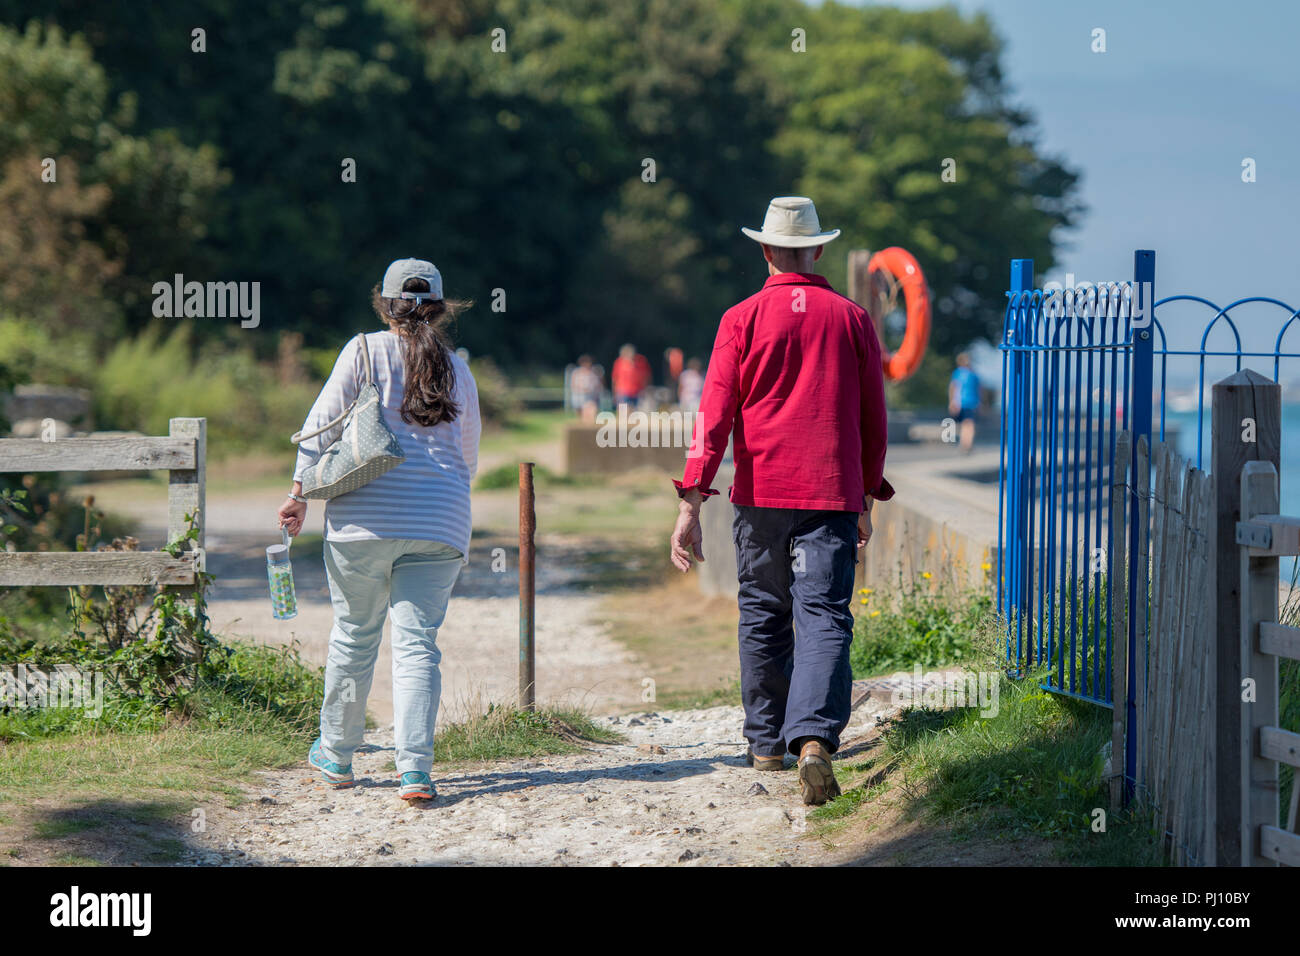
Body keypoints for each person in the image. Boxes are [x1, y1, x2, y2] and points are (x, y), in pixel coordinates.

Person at [669, 196, 893, 806]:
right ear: (818, 249)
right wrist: (868, 494)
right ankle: (815, 738)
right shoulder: (851, 319)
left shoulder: (739, 319)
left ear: (765, 251)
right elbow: (874, 419)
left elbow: (713, 416)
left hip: (761, 493)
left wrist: (691, 501)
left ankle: (767, 743)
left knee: (764, 612)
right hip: (831, 492)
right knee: (822, 615)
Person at [277, 258, 481, 802]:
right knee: (418, 646)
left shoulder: (363, 350)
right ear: (438, 308)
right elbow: (468, 456)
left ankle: (337, 757)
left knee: (355, 635)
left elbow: (319, 428)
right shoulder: (459, 369)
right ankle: (414, 770)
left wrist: (299, 494)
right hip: (441, 521)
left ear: (384, 304)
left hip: (364, 520)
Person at [948, 352, 980, 454]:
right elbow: (979, 390)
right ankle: (966, 444)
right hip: (967, 402)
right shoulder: (972, 374)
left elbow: (953, 387)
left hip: (965, 402)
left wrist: (952, 401)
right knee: (968, 424)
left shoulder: (959, 373)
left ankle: (965, 444)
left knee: (967, 424)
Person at [611, 343, 651, 409]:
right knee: (624, 412)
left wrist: (646, 389)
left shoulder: (641, 361)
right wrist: (615, 394)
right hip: (623, 392)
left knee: (636, 413)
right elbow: (615, 379)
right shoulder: (619, 362)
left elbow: (647, 377)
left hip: (638, 392)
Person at [569, 354, 603, 423]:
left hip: (590, 396)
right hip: (579, 396)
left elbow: (597, 385)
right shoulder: (576, 373)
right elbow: (573, 385)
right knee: (581, 415)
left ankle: (590, 426)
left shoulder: (593, 373)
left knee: (591, 411)